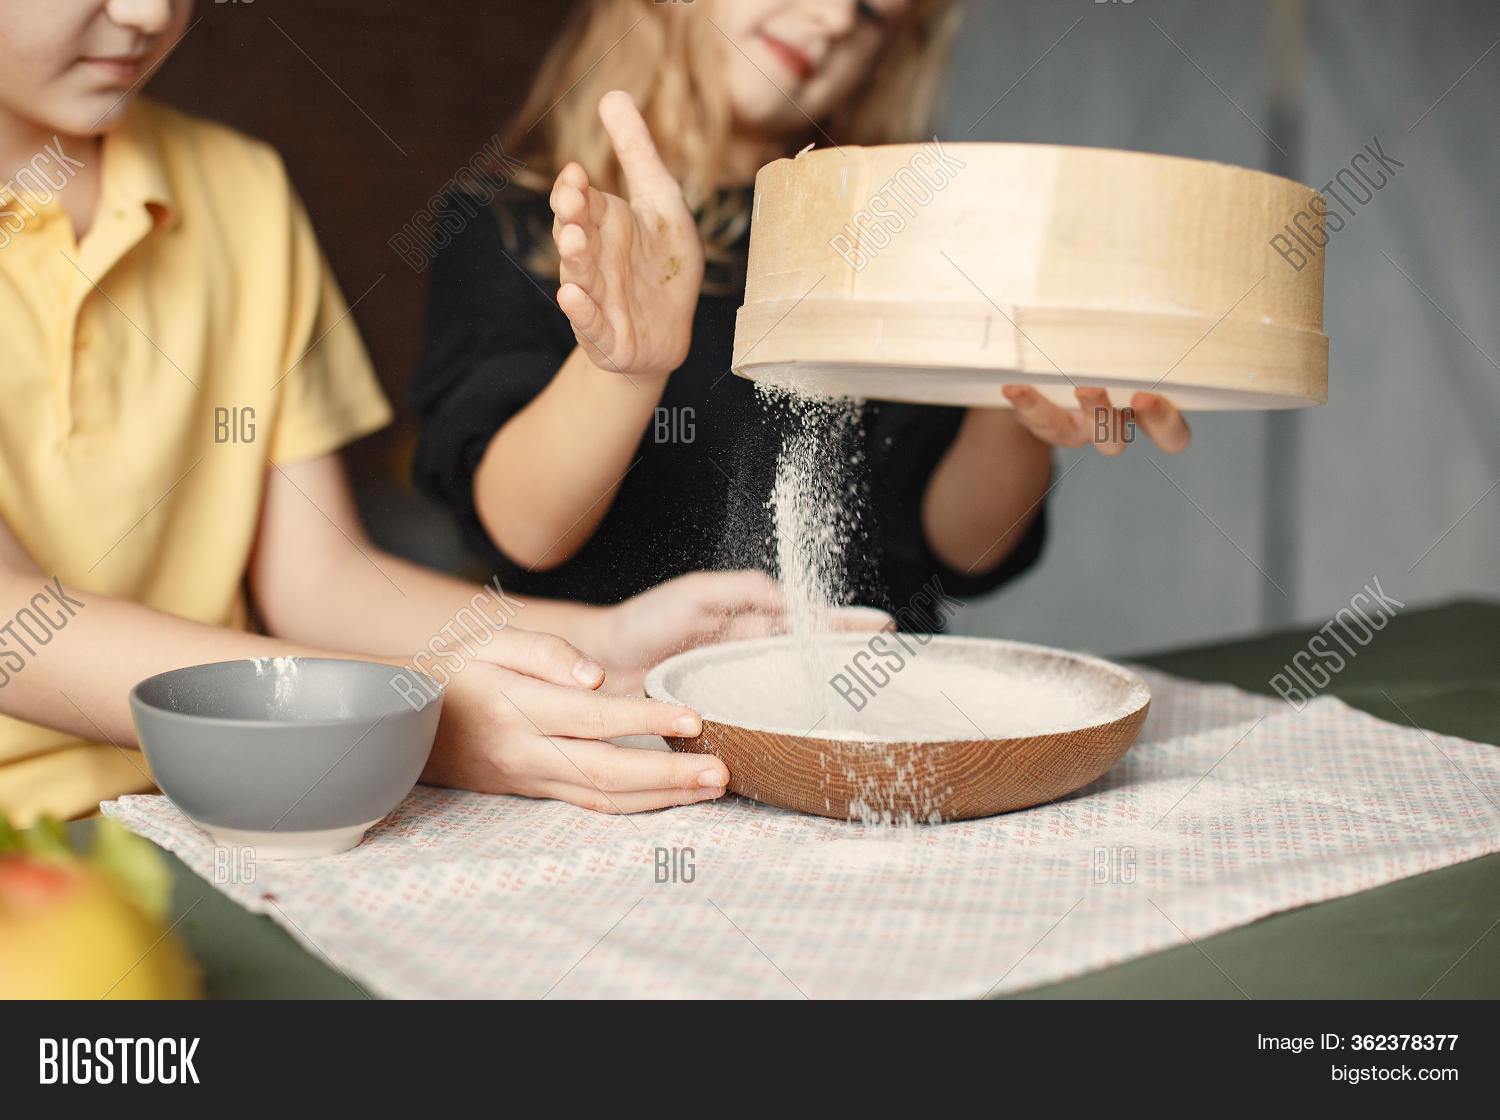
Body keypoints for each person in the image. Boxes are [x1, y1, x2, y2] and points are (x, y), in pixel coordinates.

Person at [0, 0, 821, 825]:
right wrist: (412, 713)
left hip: (238, 807)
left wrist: (598, 644)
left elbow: (319, 581)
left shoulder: (239, 188)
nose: (148, 14)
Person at [408, 0, 1191, 622]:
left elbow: (962, 550)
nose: (835, 19)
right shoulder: (510, 226)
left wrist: (1013, 410)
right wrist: (624, 370)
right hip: (625, 734)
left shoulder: (898, 243)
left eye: (874, 14)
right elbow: (521, 529)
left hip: (864, 730)